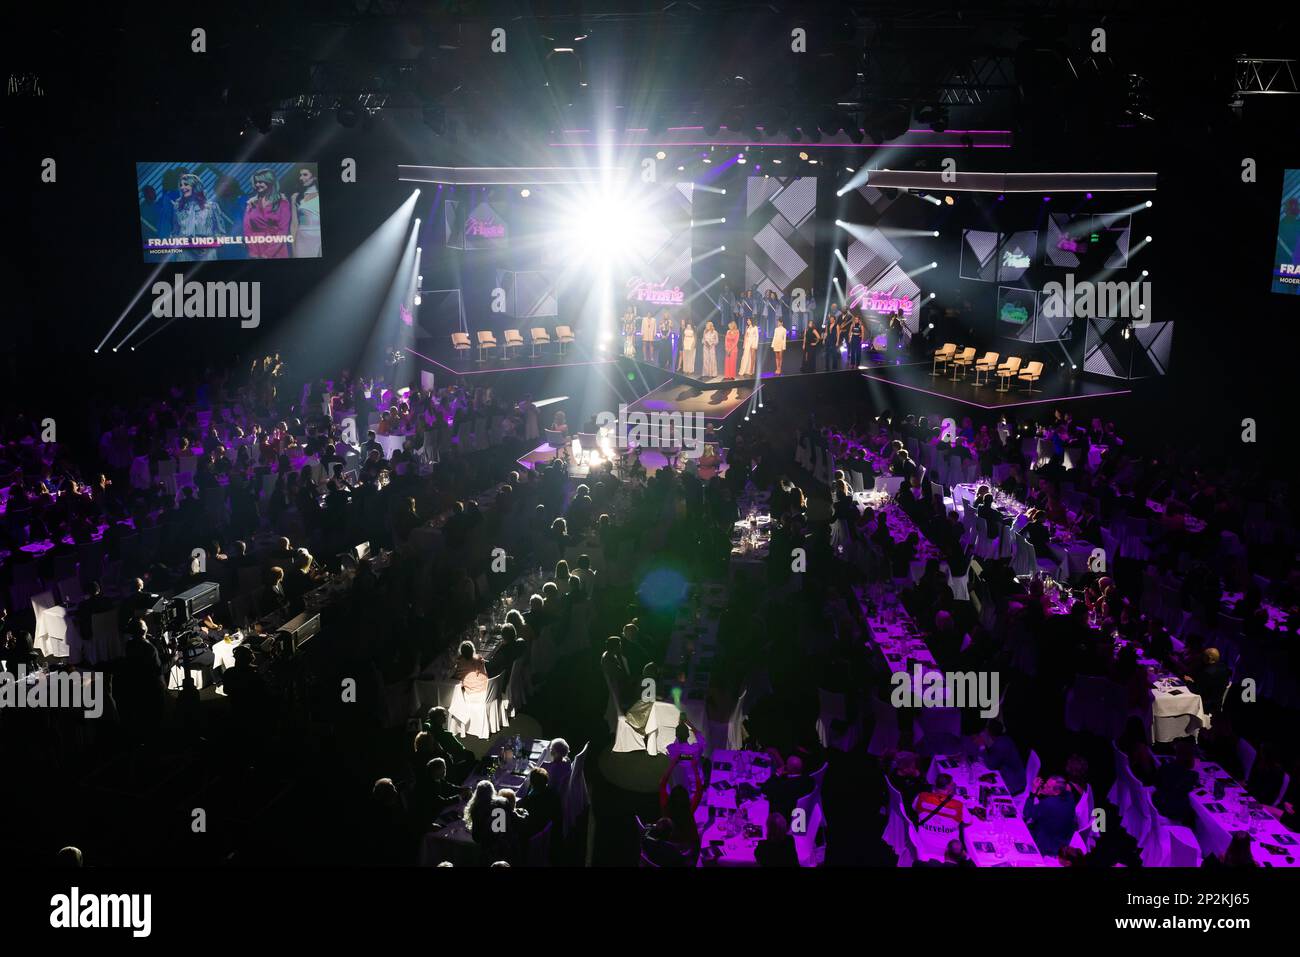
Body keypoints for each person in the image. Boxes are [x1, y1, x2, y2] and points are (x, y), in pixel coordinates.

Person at [1023, 775, 1078, 855]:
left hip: (1048, 844)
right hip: (1064, 837)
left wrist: (1033, 792)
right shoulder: (1070, 796)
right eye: (1046, 783)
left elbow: (1027, 813)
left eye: (1048, 786)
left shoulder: (1049, 803)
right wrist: (1043, 793)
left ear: (1056, 792)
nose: (1044, 786)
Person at [1152, 738, 1199, 825]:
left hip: (1158, 802)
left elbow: (1156, 783)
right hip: (1172, 810)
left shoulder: (1164, 767)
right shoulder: (1191, 775)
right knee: (1195, 813)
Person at [974, 720, 1026, 795]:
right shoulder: (1006, 739)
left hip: (1014, 784)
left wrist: (982, 746)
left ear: (989, 732)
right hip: (1017, 777)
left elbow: (991, 765)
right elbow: (993, 754)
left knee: (984, 788)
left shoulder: (1000, 744)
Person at [290, 165, 321, 258]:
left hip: (319, 239)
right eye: (300, 175)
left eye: (305, 174)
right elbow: (294, 224)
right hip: (301, 239)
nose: (301, 178)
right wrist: (293, 247)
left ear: (314, 177)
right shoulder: (296, 197)